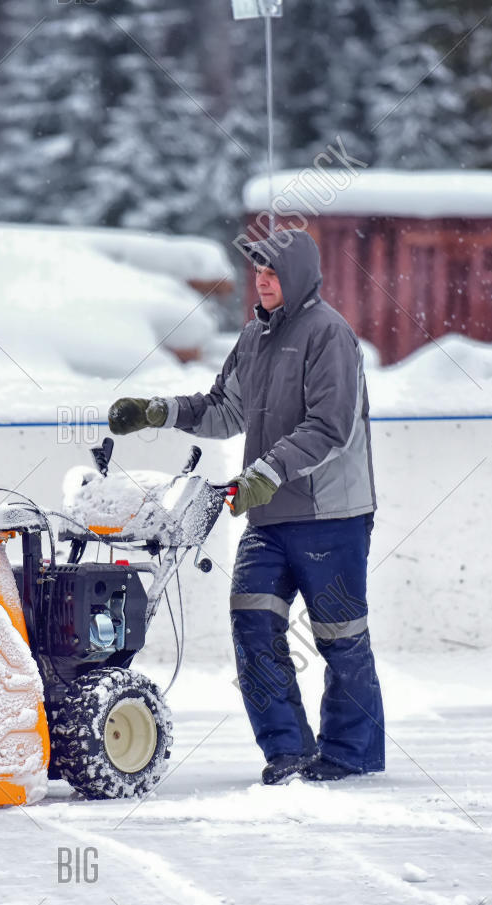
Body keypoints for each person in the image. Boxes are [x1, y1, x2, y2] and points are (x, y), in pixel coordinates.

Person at [108, 228, 384, 784]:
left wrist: (266, 472)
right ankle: (288, 751)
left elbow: (330, 426)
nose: (262, 279)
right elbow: (222, 410)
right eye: (257, 270)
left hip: (331, 516)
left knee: (339, 637)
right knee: (253, 625)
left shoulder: (329, 335)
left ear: (300, 276)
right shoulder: (255, 338)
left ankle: (353, 752)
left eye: (273, 271)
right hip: (267, 513)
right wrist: (158, 411)